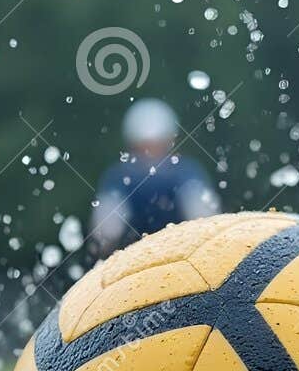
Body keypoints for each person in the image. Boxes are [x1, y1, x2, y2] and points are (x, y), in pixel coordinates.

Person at [89, 99, 219, 256]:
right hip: (138, 262)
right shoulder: (185, 172)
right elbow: (106, 232)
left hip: (178, 258)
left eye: (155, 145)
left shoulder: (120, 177)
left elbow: (104, 235)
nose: (150, 153)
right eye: (146, 146)